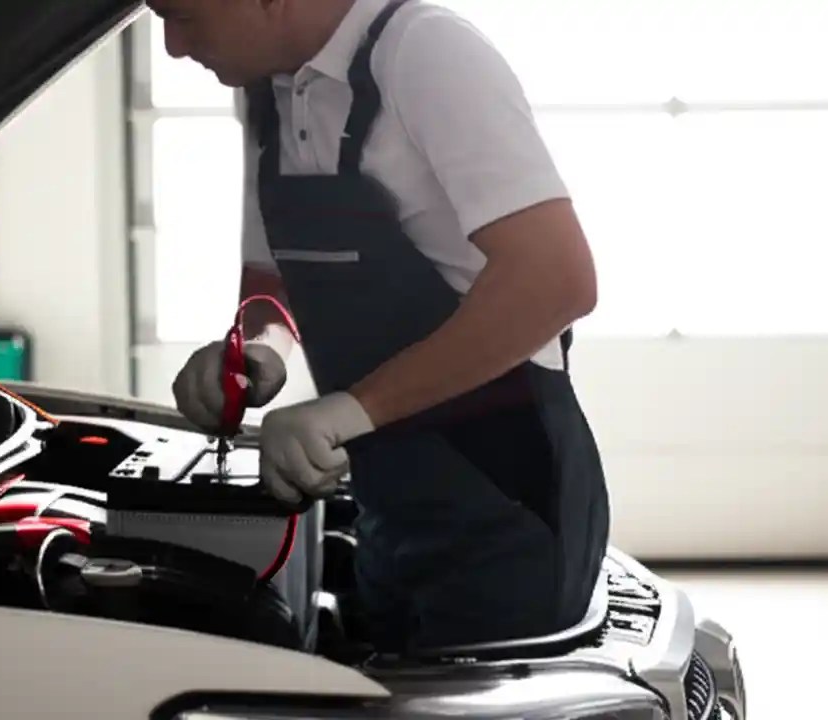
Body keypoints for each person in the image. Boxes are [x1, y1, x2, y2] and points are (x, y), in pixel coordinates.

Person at [154, 0, 610, 653]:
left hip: (507, 506)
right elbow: (272, 280)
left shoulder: (426, 55)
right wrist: (259, 350)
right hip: (386, 507)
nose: (171, 45)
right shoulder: (266, 92)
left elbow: (556, 280)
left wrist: (349, 410)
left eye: (182, 14)